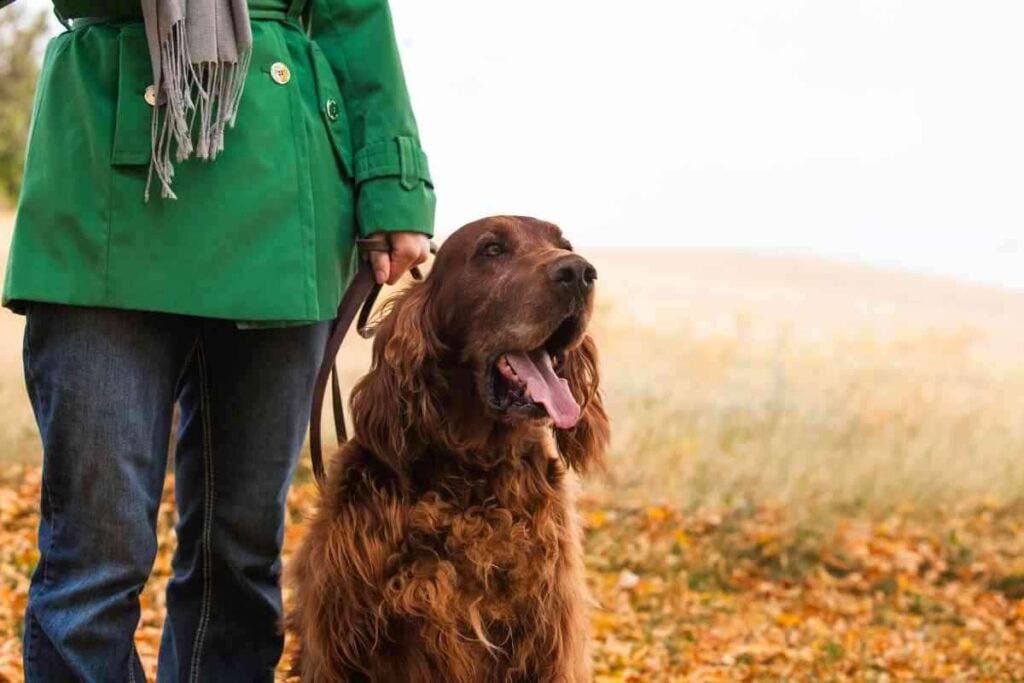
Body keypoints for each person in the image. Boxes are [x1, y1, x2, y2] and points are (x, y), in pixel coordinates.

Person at [0, 0, 435, 679]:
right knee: (93, 561)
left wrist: (392, 180)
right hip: (101, 186)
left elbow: (352, 15)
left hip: (283, 187)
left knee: (239, 558)